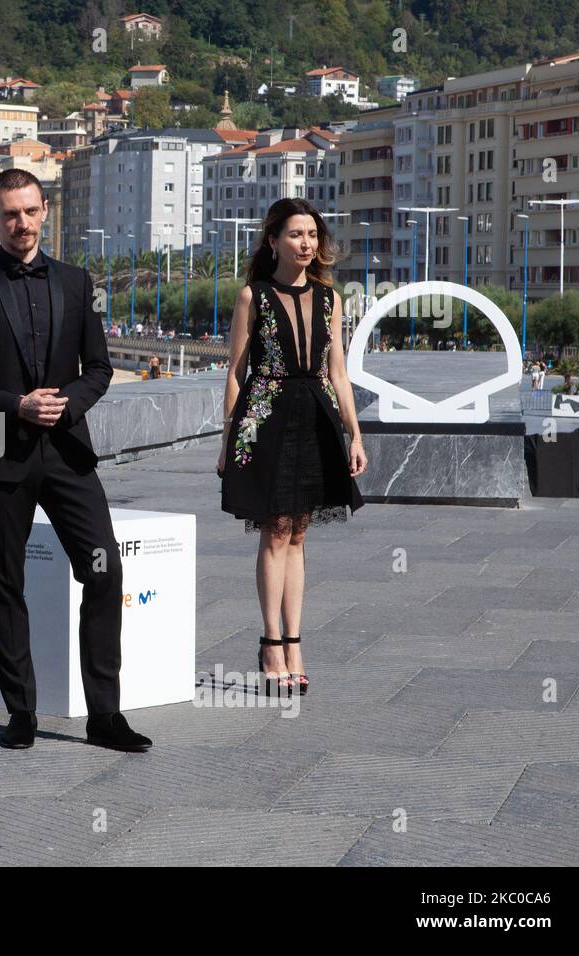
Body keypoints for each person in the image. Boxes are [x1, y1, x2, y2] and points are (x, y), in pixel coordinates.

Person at [0, 168, 151, 753]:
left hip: (68, 452)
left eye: (30, 211)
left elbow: (100, 368)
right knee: (4, 583)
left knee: (105, 570)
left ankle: (105, 715)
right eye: (9, 214)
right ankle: (20, 713)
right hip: (1, 450)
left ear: (46, 210)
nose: (21, 223)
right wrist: (16, 406)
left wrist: (66, 405)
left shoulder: (78, 282)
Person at [218, 198, 367, 697]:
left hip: (317, 419)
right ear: (273, 241)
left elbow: (339, 373)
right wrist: (228, 439)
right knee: (276, 531)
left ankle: (295, 644)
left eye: (312, 236)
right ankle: (271, 644)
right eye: (296, 235)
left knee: (300, 533)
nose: (306, 244)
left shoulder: (329, 298)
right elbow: (237, 373)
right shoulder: (252, 297)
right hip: (266, 421)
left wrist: (355, 433)